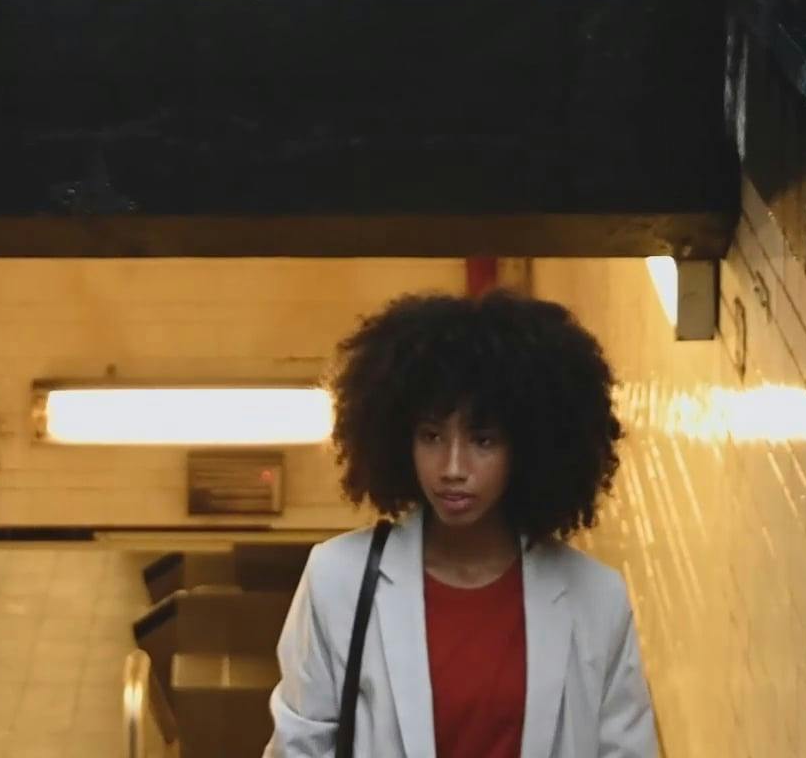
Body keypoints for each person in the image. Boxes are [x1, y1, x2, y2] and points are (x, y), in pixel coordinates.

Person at [269, 291, 661, 758]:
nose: (452, 467)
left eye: (483, 440)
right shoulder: (339, 579)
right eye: (431, 436)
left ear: (529, 446)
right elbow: (298, 748)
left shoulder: (595, 598)